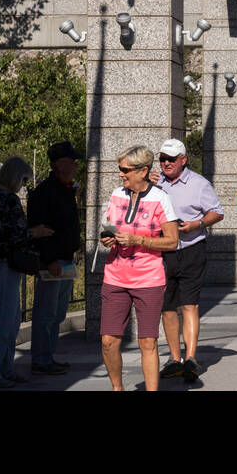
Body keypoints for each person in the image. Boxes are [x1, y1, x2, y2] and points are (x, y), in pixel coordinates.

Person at [99, 146, 179, 392]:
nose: (121, 174)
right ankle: (117, 388)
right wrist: (107, 238)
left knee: (147, 341)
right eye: (120, 169)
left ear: (143, 171)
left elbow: (172, 241)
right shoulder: (116, 194)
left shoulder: (161, 198)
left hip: (149, 279)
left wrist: (139, 240)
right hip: (115, 276)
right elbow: (108, 227)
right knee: (109, 341)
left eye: (125, 170)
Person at [154, 139, 224, 385]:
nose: (166, 163)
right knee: (167, 307)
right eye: (163, 158)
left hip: (191, 249)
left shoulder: (198, 184)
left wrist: (198, 224)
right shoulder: (157, 183)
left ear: (183, 159)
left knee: (189, 305)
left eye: (171, 159)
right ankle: (175, 359)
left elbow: (217, 211)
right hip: (164, 251)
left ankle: (191, 358)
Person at [0, 156, 52, 388]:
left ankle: (4, 369)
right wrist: (35, 233)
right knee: (5, 320)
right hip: (6, 264)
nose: (23, 185)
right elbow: (12, 235)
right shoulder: (8, 199)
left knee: (10, 319)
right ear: (14, 177)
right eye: (22, 179)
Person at [27, 142, 81, 376]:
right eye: (72, 160)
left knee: (58, 313)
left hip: (66, 259)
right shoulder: (44, 192)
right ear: (60, 164)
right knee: (46, 313)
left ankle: (48, 356)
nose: (76, 164)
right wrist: (49, 259)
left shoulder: (67, 189)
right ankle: (41, 359)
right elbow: (40, 228)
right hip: (53, 262)